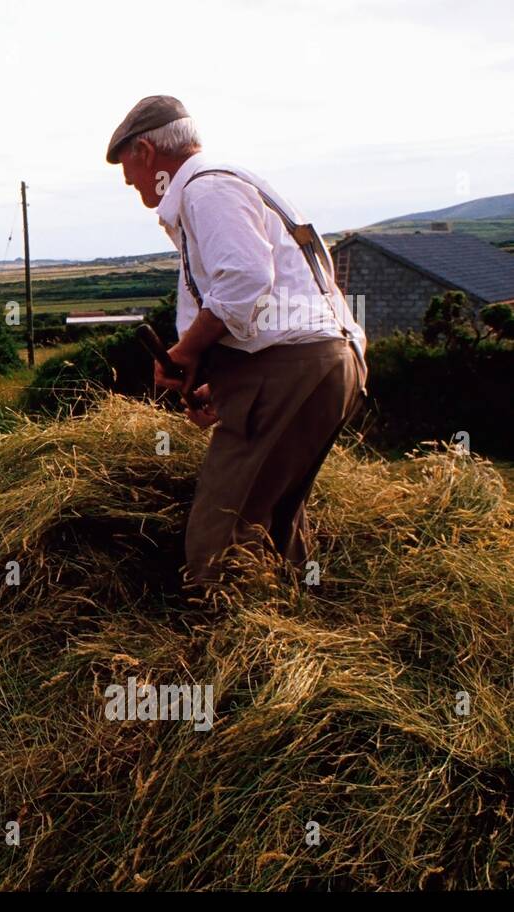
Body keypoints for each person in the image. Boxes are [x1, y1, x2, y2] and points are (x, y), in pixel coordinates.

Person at [107, 95, 368, 584]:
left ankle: (232, 647)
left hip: (295, 366)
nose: (130, 182)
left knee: (218, 535)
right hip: (321, 362)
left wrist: (187, 352)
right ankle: (292, 628)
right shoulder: (231, 182)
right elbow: (268, 300)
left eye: (128, 169)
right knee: (272, 519)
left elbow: (246, 279)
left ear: (145, 151)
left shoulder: (206, 190)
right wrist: (221, 382)